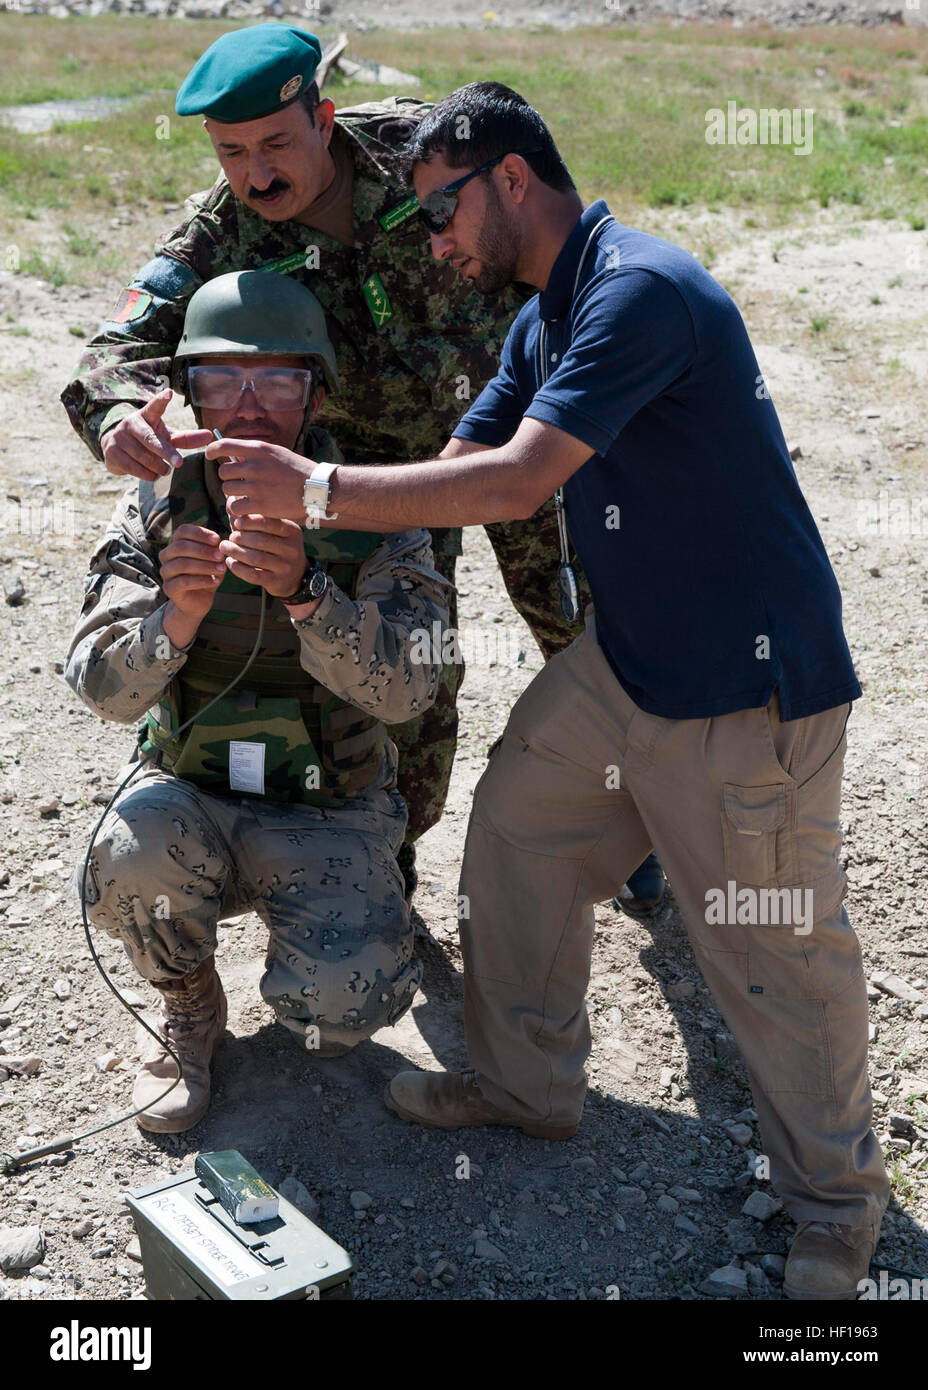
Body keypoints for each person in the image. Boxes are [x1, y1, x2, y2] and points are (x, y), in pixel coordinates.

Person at [206, 82, 891, 1300]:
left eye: (436, 214)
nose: (430, 242)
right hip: (627, 663)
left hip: (746, 691)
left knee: (772, 955)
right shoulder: (549, 311)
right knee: (517, 836)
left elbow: (519, 484)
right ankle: (525, 1087)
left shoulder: (637, 289)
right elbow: (461, 463)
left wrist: (306, 487)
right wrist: (251, 485)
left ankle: (837, 1208)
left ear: (510, 181)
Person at [59, 23, 596, 899]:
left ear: (325, 118)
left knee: (576, 626)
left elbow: (542, 229)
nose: (255, 173)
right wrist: (119, 416)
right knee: (422, 675)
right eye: (231, 152)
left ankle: (632, 811)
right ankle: (392, 873)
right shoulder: (218, 235)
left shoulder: (425, 157)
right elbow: (113, 350)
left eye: (275, 144)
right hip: (372, 486)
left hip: (513, 436)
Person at [64, 271, 451, 1134]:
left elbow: (410, 690)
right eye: (220, 382)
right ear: (189, 390)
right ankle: (190, 1004)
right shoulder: (161, 501)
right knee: (127, 857)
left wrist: (314, 596)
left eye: (278, 380)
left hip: (330, 806)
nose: (249, 405)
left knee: (337, 1013)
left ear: (316, 392)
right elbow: (101, 689)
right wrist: (177, 618)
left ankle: (314, 959)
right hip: (192, 791)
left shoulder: (373, 504)